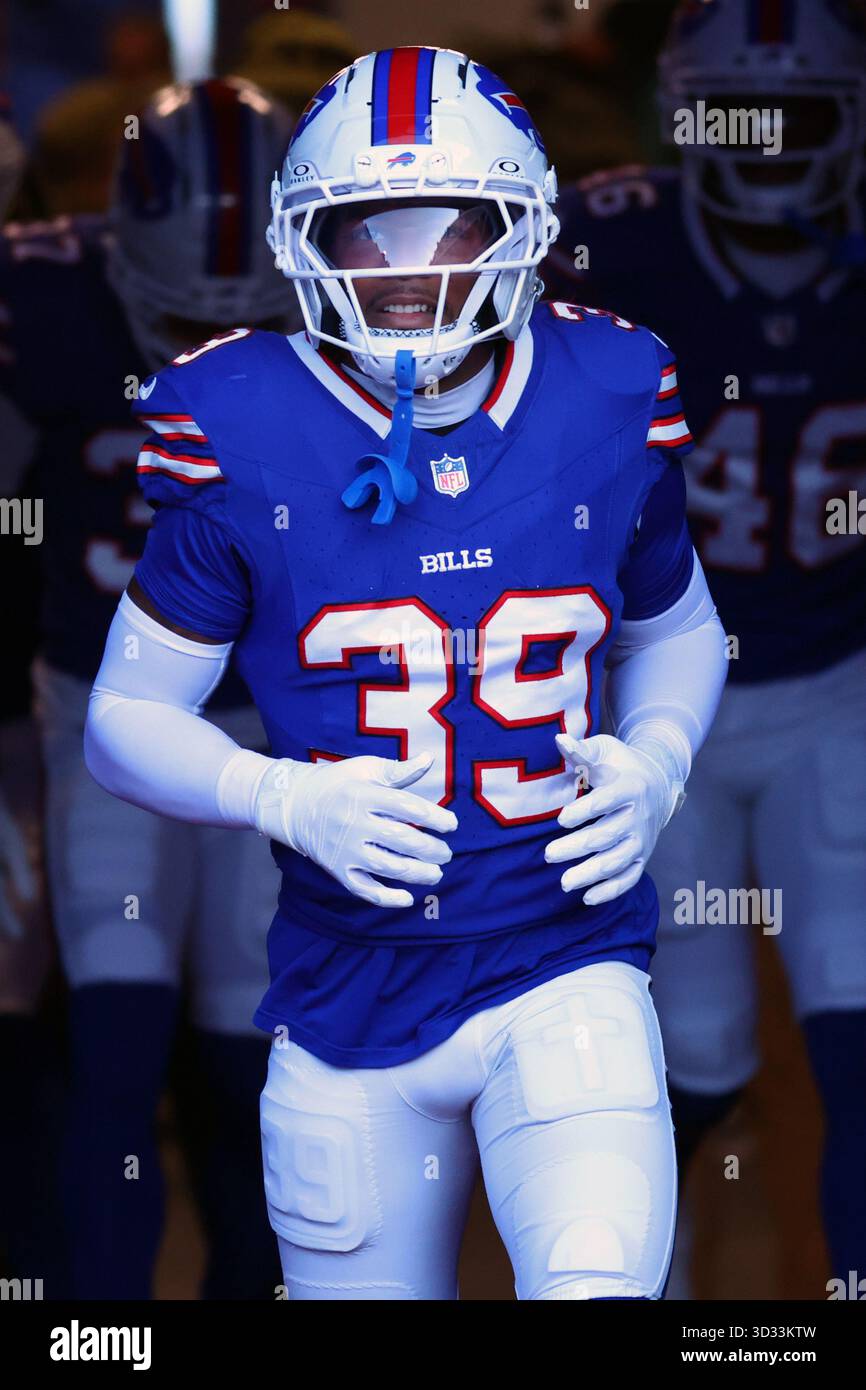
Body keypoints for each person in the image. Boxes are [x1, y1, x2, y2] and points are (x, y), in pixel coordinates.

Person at [85, 45, 728, 1301]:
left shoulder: (604, 390)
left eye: (447, 229)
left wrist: (655, 761)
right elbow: (122, 720)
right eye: (363, 235)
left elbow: (681, 628)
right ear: (298, 240)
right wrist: (280, 796)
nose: (408, 272)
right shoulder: (240, 420)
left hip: (564, 961)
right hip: (341, 1000)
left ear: (526, 226)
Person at [545, 0, 866, 1286]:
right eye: (744, 115)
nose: (769, 146)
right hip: (658, 696)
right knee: (700, 1048)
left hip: (835, 689)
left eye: (797, 117)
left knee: (851, 1027)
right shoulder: (605, 247)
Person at [0, 76, 295, 1299]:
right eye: (182, 323)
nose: (208, 356)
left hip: (273, 735)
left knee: (253, 1068)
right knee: (114, 1048)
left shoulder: (379, 302)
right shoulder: (47, 299)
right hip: (103, 717)